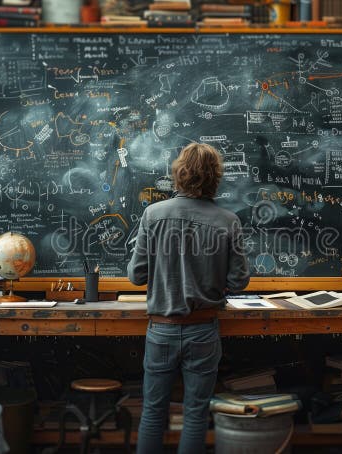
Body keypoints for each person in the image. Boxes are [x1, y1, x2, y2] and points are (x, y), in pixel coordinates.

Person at [127, 142, 251, 453]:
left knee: (153, 412)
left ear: (179, 174)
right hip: (204, 330)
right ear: (215, 177)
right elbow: (238, 281)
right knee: (195, 414)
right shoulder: (228, 221)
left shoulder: (153, 215)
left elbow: (136, 276)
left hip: (161, 330)